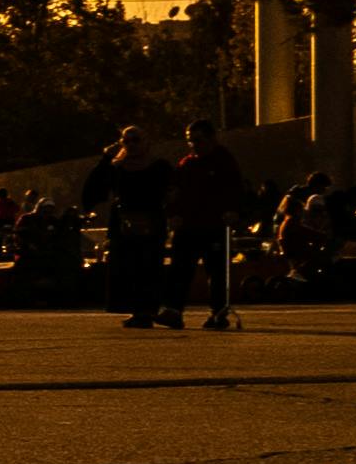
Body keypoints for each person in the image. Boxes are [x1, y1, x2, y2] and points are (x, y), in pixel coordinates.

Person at [82, 126, 174, 330]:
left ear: (146, 142)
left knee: (149, 268)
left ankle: (146, 311)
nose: (131, 145)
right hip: (124, 224)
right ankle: (136, 311)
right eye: (127, 141)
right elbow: (93, 189)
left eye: (136, 140)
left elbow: (173, 192)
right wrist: (106, 158)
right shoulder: (117, 167)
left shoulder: (160, 166)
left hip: (151, 223)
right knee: (127, 268)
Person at [165, 119, 247, 331]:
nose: (193, 145)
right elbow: (174, 193)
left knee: (217, 272)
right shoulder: (186, 164)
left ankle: (218, 313)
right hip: (188, 226)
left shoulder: (224, 162)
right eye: (190, 141)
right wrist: (173, 214)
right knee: (179, 270)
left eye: (198, 140)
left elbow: (236, 190)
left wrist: (233, 211)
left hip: (213, 226)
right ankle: (174, 311)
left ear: (211, 139)